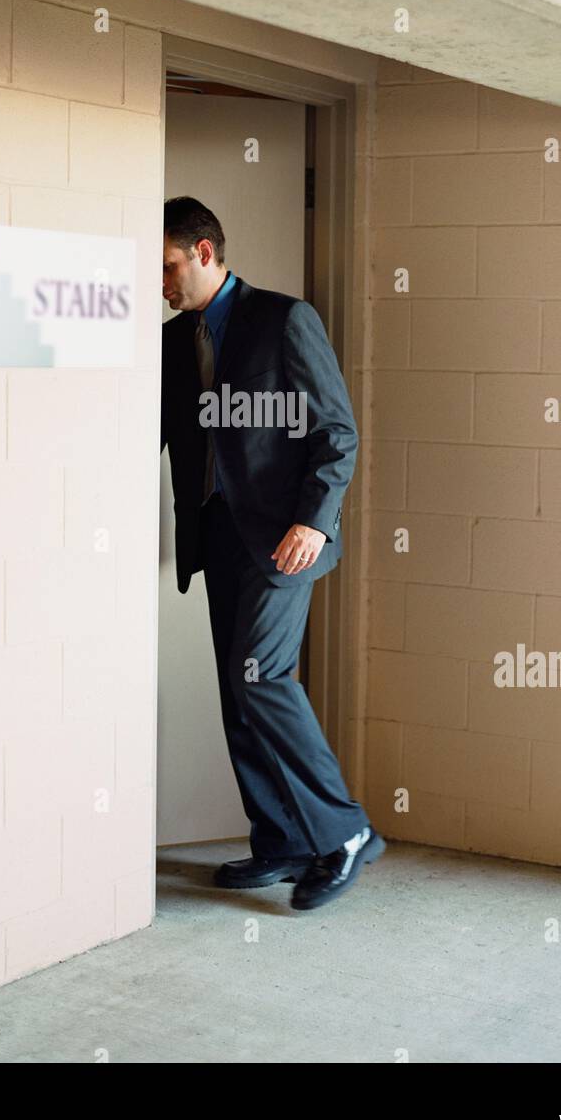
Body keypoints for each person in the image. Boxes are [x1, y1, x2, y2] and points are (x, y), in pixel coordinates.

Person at [159, 196, 385, 911]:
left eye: (166, 267)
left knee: (262, 677)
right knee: (238, 688)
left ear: (203, 253)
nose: (160, 284)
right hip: (216, 531)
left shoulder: (284, 319)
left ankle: (343, 832)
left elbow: (337, 432)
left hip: (285, 535)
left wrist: (314, 522)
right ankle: (282, 840)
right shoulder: (171, 341)